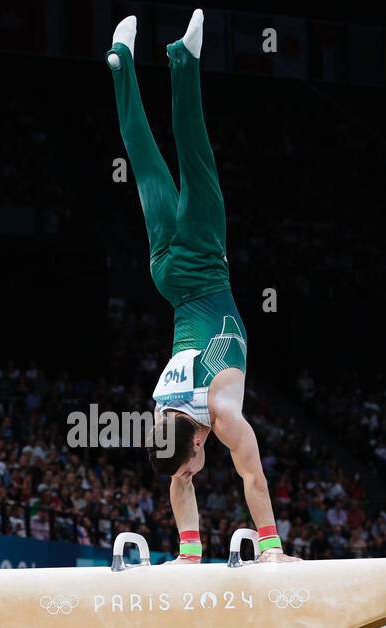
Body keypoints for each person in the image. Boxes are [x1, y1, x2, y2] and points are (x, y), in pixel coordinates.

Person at [107, 11, 294, 565]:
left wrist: (272, 547)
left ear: (193, 440)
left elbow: (253, 478)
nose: (192, 472)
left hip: (204, 265)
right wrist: (189, 553)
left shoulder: (222, 412)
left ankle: (183, 60)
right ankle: (120, 62)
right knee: (144, 165)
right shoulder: (163, 409)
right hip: (163, 271)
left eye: (191, 461)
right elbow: (176, 479)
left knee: (195, 155)